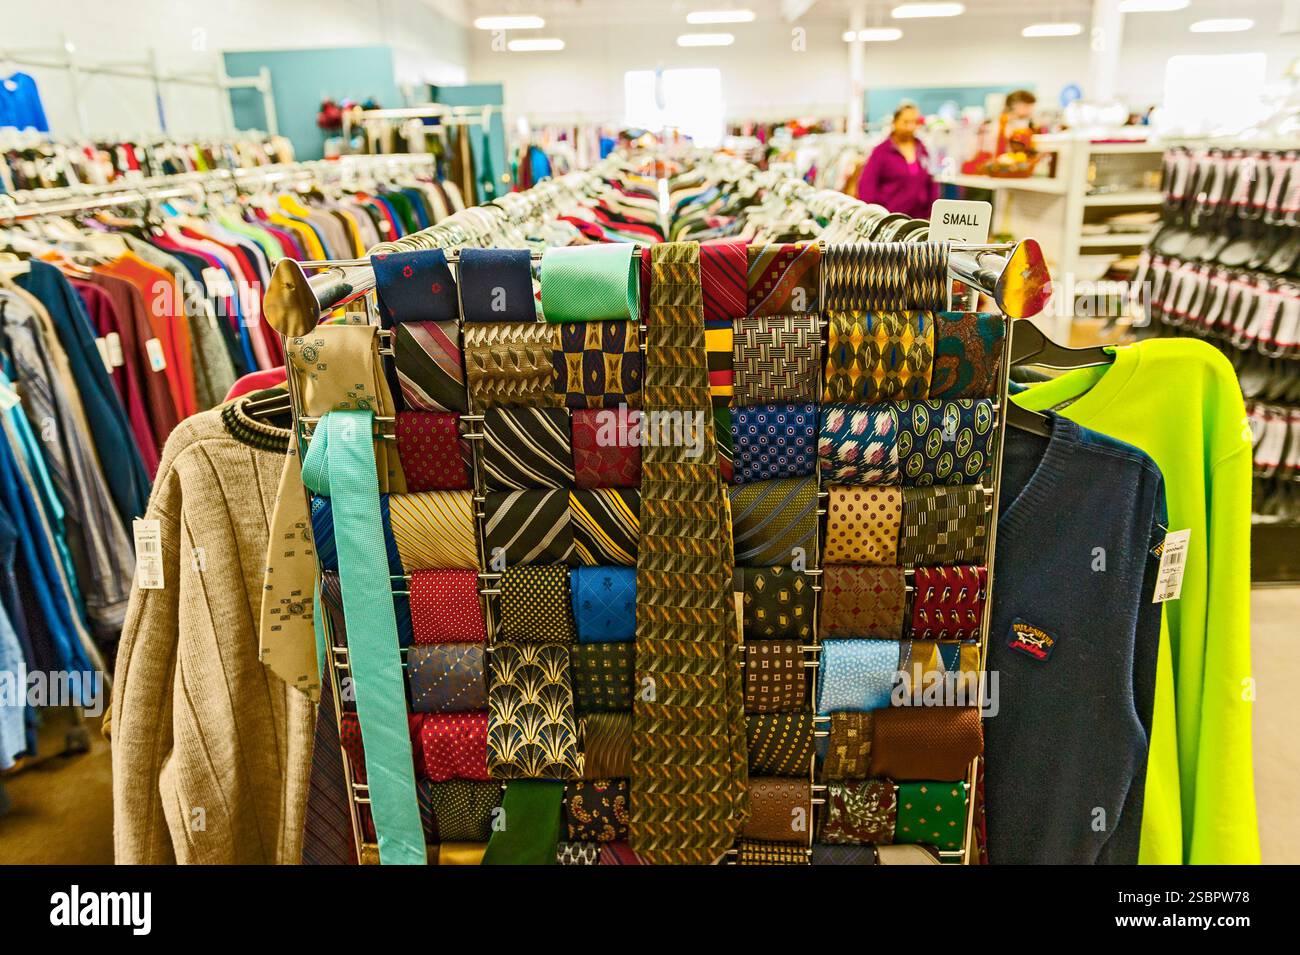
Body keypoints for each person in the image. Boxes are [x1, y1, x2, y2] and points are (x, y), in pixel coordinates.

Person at [856, 103, 938, 220]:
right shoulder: (881, 151)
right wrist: (875, 217)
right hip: (889, 220)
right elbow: (866, 186)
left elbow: (931, 183)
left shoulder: (923, 149)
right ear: (894, 122)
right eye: (905, 122)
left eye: (914, 122)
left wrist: (931, 212)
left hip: (918, 220)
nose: (910, 127)